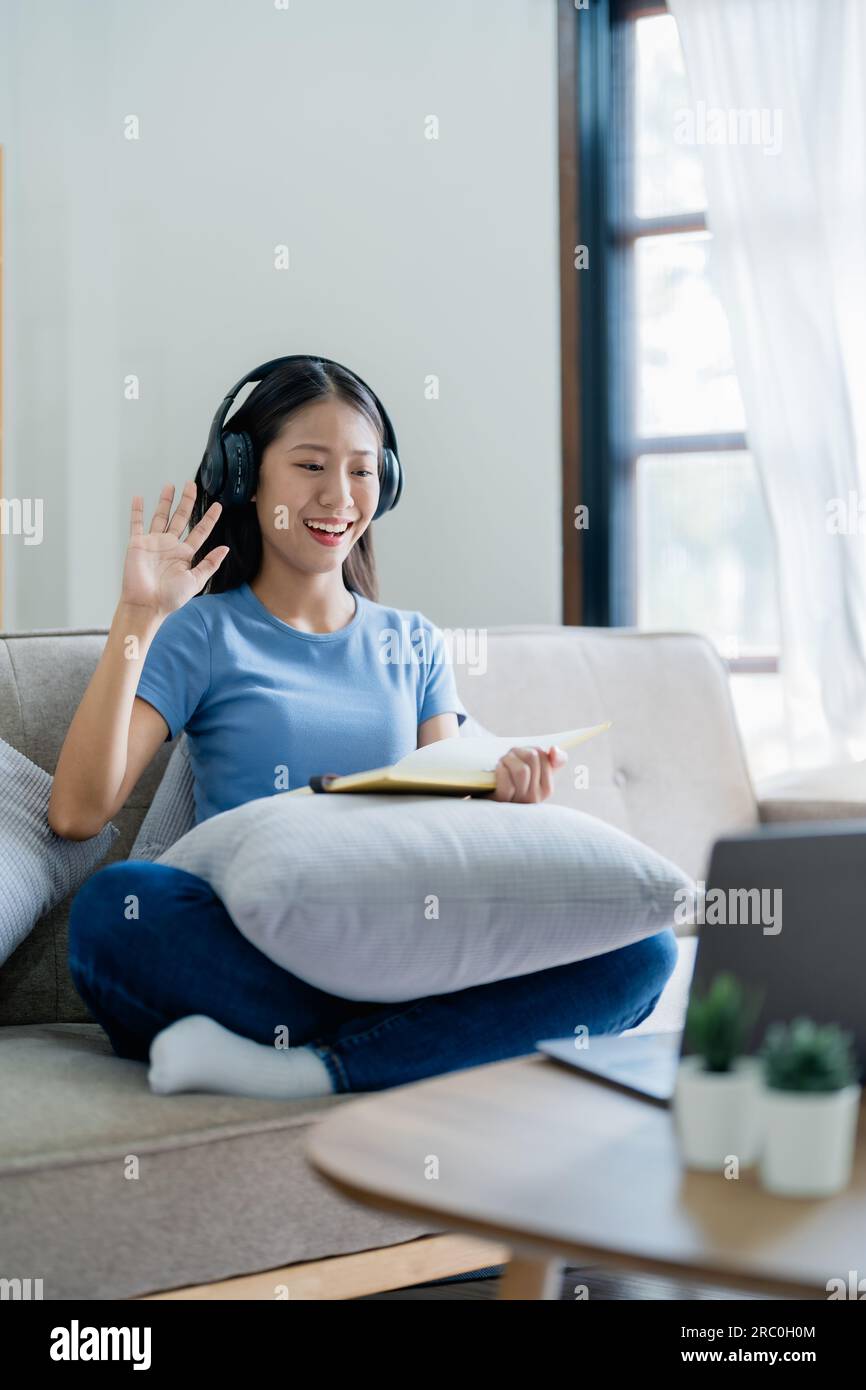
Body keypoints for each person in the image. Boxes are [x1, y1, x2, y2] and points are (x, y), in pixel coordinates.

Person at [52, 356, 676, 1098]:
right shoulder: (204, 633)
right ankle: (388, 1051)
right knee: (115, 911)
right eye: (311, 465)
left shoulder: (412, 643)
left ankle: (316, 1068)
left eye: (361, 471)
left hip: (402, 949)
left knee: (643, 953)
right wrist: (139, 617)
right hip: (262, 958)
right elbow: (77, 812)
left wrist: (503, 793)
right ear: (247, 475)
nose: (339, 497)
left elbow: (450, 819)